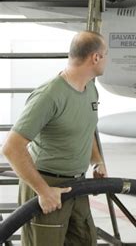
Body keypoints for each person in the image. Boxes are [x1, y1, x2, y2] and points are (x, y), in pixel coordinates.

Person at [2, 31, 108, 246]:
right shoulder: (49, 95)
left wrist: (96, 161)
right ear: (95, 57)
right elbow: (11, 148)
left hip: (78, 185)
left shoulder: (90, 89)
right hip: (47, 185)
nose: (107, 60)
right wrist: (43, 191)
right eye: (106, 55)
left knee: (85, 240)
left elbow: (87, 129)